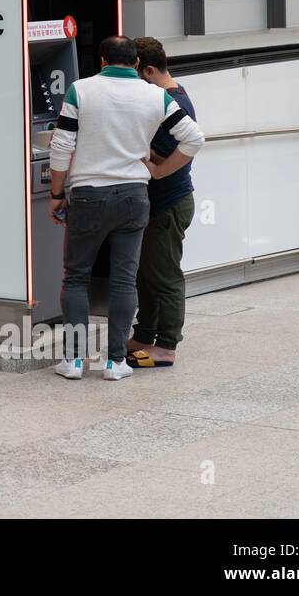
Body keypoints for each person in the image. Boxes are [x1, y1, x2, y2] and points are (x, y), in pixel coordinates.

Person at [47, 35, 205, 381]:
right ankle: (116, 362)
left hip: (89, 194)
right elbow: (195, 138)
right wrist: (160, 170)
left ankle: (74, 361)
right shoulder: (157, 95)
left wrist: (57, 193)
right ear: (135, 64)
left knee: (76, 277)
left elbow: (61, 146)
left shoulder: (80, 89)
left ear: (102, 62)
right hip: (135, 196)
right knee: (123, 280)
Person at [126, 36, 197, 368]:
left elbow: (179, 149)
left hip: (170, 203)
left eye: (136, 74)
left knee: (165, 274)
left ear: (149, 70)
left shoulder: (172, 101)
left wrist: (153, 166)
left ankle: (167, 345)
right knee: (148, 274)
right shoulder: (171, 95)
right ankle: (145, 334)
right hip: (161, 203)